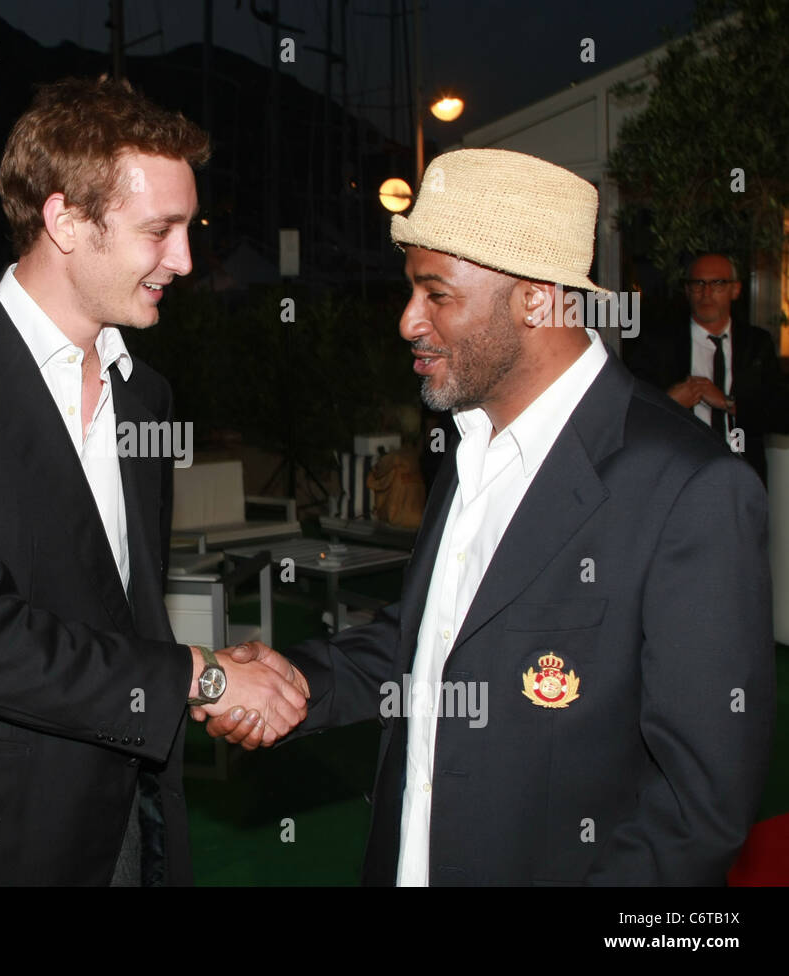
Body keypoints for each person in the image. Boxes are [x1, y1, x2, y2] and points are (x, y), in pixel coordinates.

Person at [202, 149, 775, 885]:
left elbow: (699, 813)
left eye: (436, 293)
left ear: (536, 299)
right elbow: (427, 644)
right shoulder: (469, 443)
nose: (409, 320)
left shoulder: (689, 489)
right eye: (411, 290)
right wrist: (292, 685)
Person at [0, 76, 308, 886]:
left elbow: (118, 612)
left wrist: (210, 675)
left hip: (122, 813)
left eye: (189, 229)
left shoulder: (146, 392)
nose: (184, 260)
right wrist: (207, 676)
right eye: (161, 230)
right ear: (66, 221)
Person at [628, 253, 789, 484]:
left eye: (718, 284)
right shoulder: (660, 344)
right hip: (679, 473)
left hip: (742, 473)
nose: (706, 293)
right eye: (698, 284)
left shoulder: (756, 344)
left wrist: (728, 403)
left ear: (735, 290)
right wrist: (668, 403)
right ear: (687, 291)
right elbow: (631, 409)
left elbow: (780, 413)